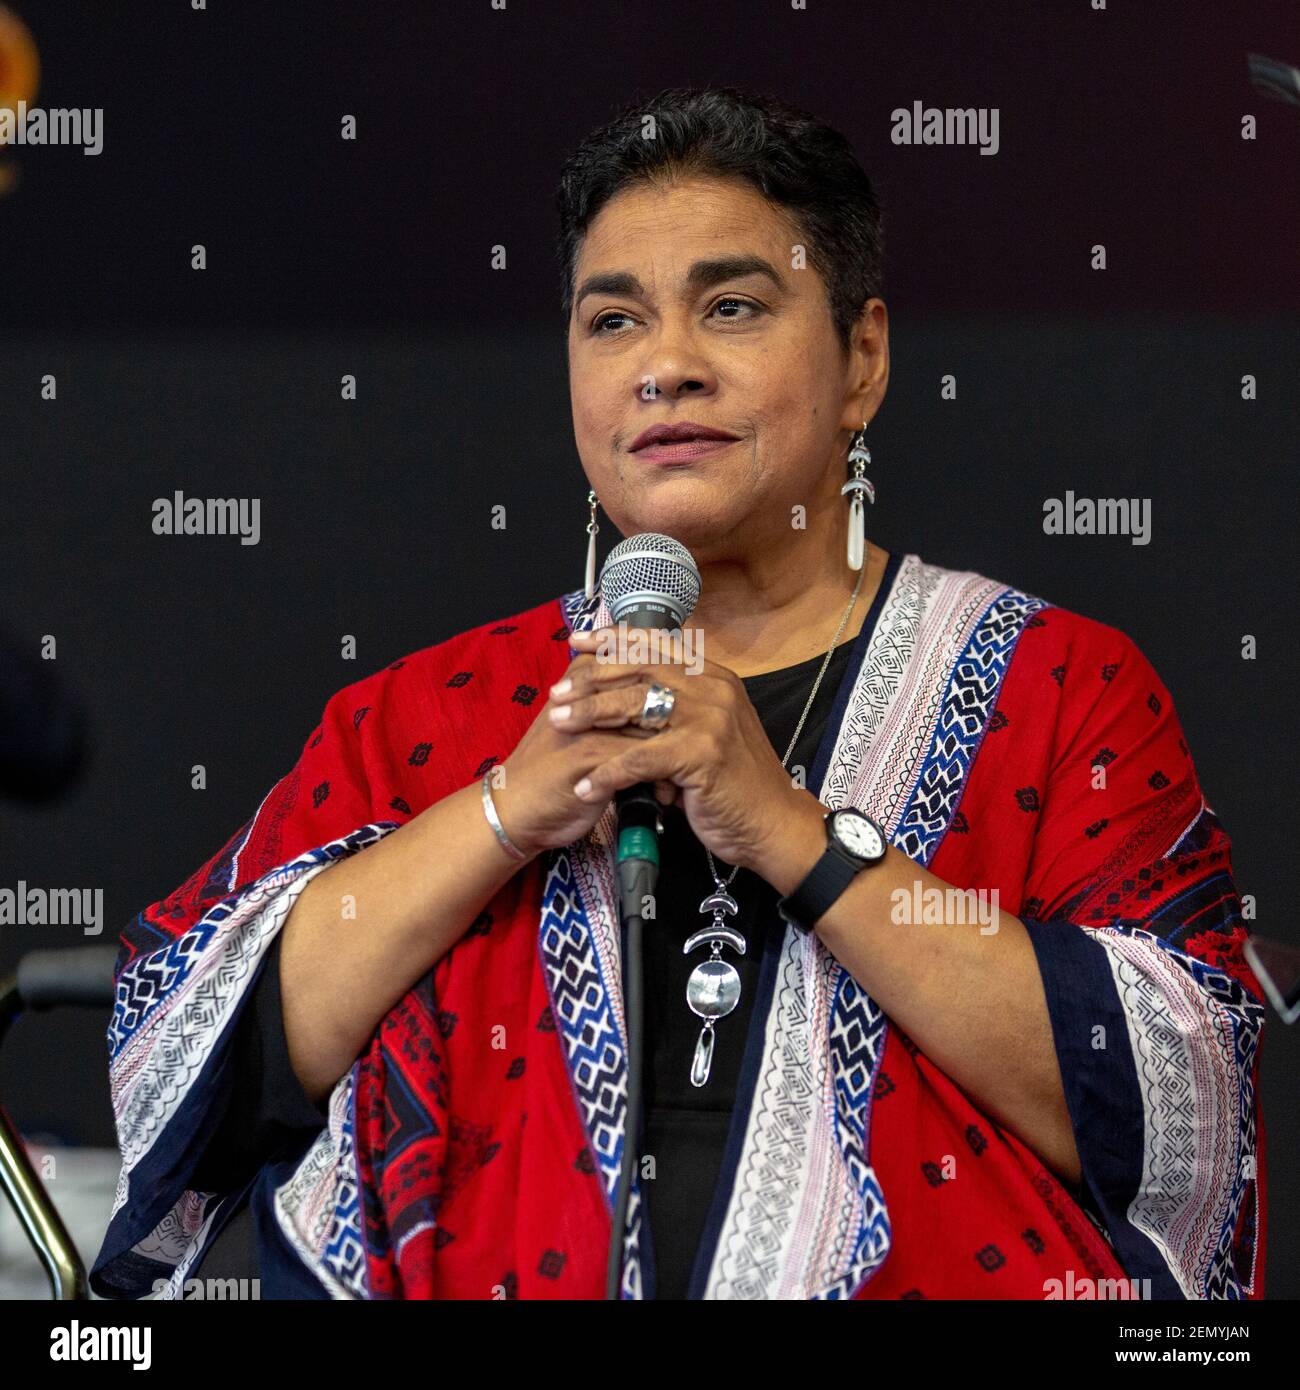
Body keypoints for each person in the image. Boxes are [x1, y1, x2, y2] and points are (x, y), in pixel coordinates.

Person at [90, 86, 1266, 1301]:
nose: (664, 368)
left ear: (862, 357)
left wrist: (791, 832)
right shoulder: (428, 711)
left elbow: (1177, 1112)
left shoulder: (1061, 682)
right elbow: (192, 1061)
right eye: (612, 322)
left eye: (733, 307)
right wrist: (502, 811)